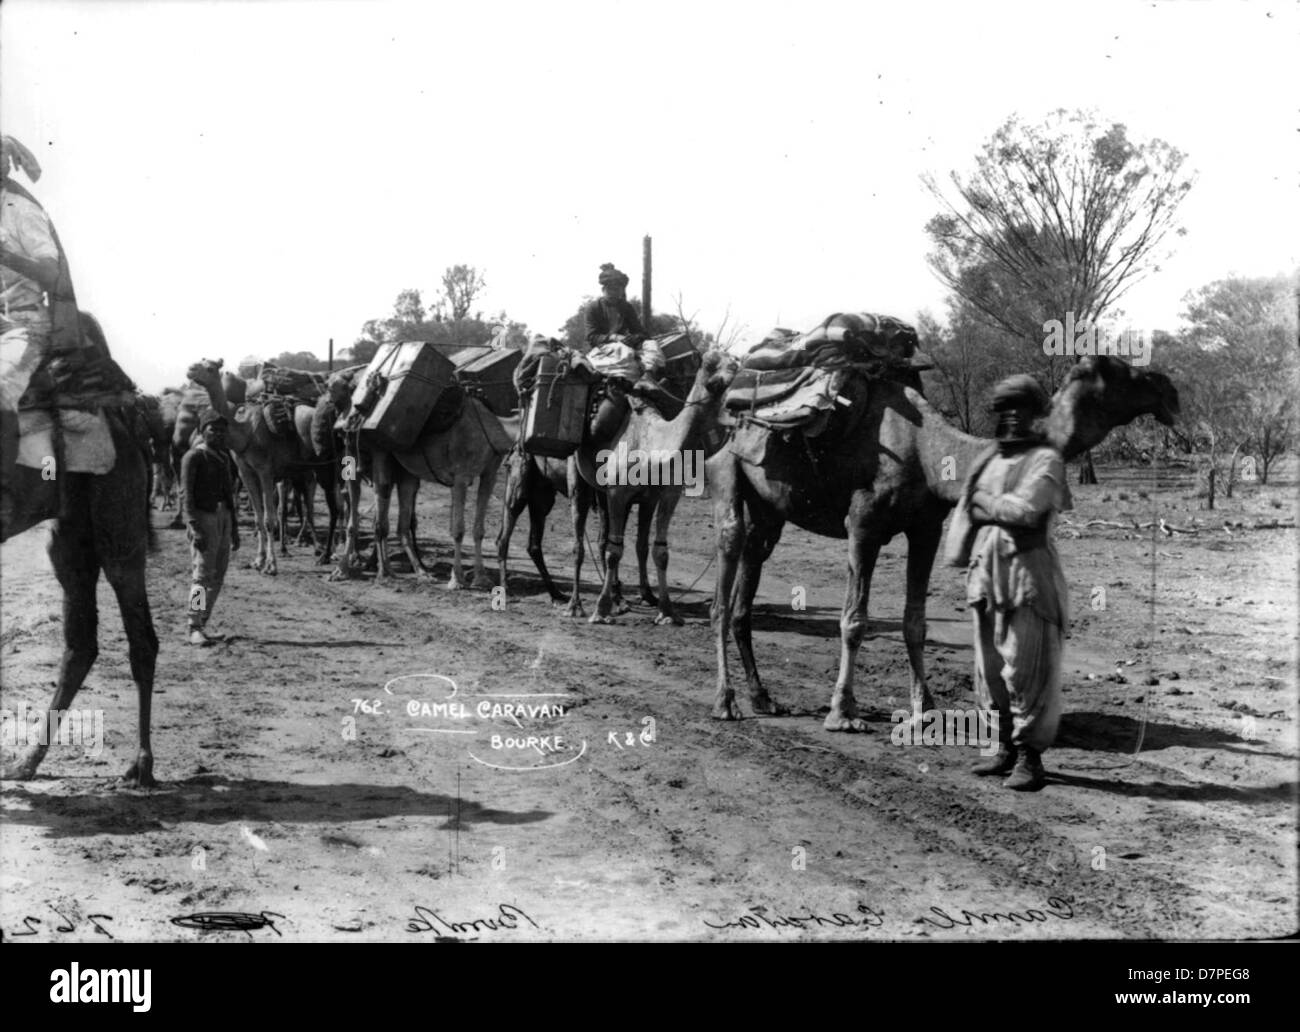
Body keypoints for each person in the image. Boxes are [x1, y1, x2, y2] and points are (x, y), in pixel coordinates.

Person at [946, 374, 1071, 791]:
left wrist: (986, 504)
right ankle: (1002, 747)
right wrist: (989, 507)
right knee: (990, 666)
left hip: (1029, 574)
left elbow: (1027, 512)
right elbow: (974, 511)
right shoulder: (991, 460)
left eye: (1022, 411)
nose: (1013, 419)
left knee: (1026, 666)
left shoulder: (1047, 461)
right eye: (1005, 411)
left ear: (1037, 417)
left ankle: (1029, 758)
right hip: (986, 572)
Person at [182, 410, 240, 646]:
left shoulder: (225, 457)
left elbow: (229, 494)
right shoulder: (194, 457)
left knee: (218, 574)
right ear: (202, 431)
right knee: (202, 576)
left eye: (222, 430)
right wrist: (194, 526)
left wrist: (234, 528)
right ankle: (194, 626)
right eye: (212, 429)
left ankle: (203, 623)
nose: (218, 434)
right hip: (204, 518)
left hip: (223, 516)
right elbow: (185, 494)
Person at [583, 263, 644, 351]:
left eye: (616, 289)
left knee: (651, 346)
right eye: (609, 289)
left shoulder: (626, 307)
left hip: (623, 346)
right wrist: (614, 337)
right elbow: (592, 337)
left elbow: (639, 331)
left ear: (621, 291)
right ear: (603, 290)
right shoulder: (593, 308)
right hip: (598, 349)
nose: (613, 293)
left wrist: (634, 338)